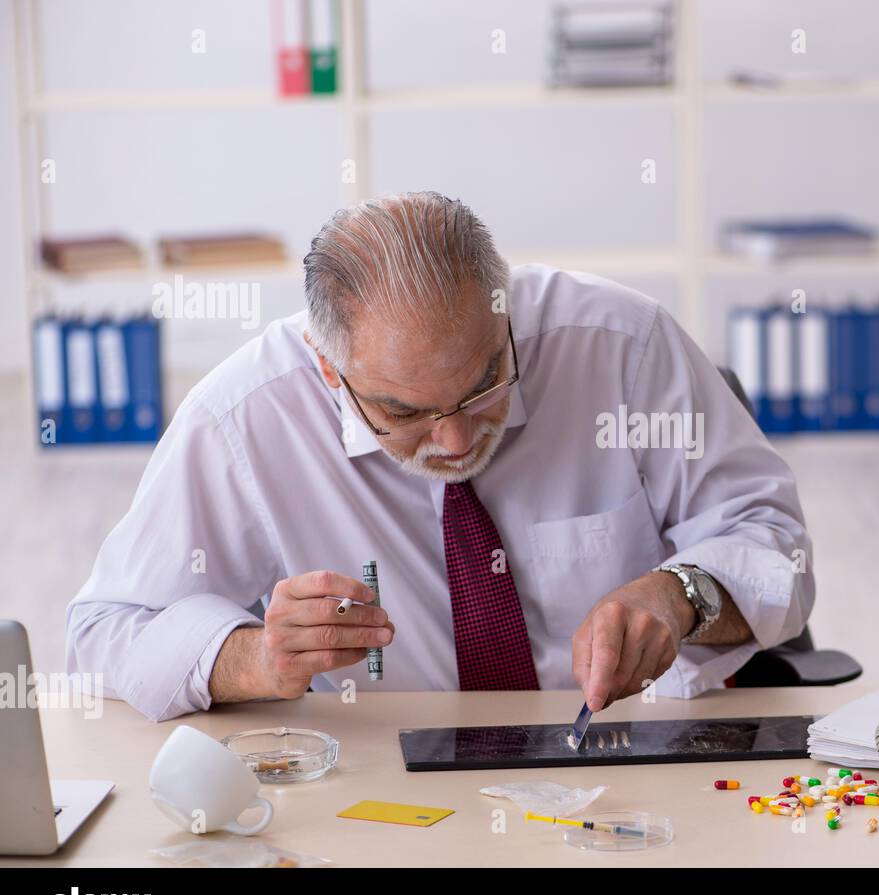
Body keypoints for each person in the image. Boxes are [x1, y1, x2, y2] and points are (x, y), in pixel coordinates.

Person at [67, 190, 814, 721]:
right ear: (329, 369)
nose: (457, 441)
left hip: (638, 754)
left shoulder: (621, 347)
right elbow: (100, 635)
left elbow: (775, 542)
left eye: (485, 382)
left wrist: (683, 594)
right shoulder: (243, 417)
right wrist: (254, 657)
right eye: (403, 411)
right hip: (384, 784)